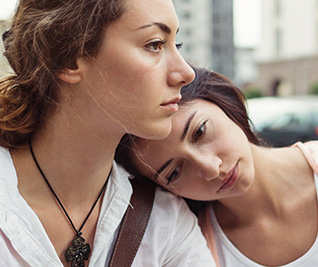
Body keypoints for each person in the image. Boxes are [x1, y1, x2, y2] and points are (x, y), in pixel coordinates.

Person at [0, 1, 217, 266]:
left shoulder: (165, 224)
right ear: (69, 59)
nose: (186, 72)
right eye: (155, 44)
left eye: (177, 45)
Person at [116, 67, 318, 267]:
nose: (211, 168)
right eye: (175, 172)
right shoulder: (189, 245)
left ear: (223, 102)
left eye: (200, 132)